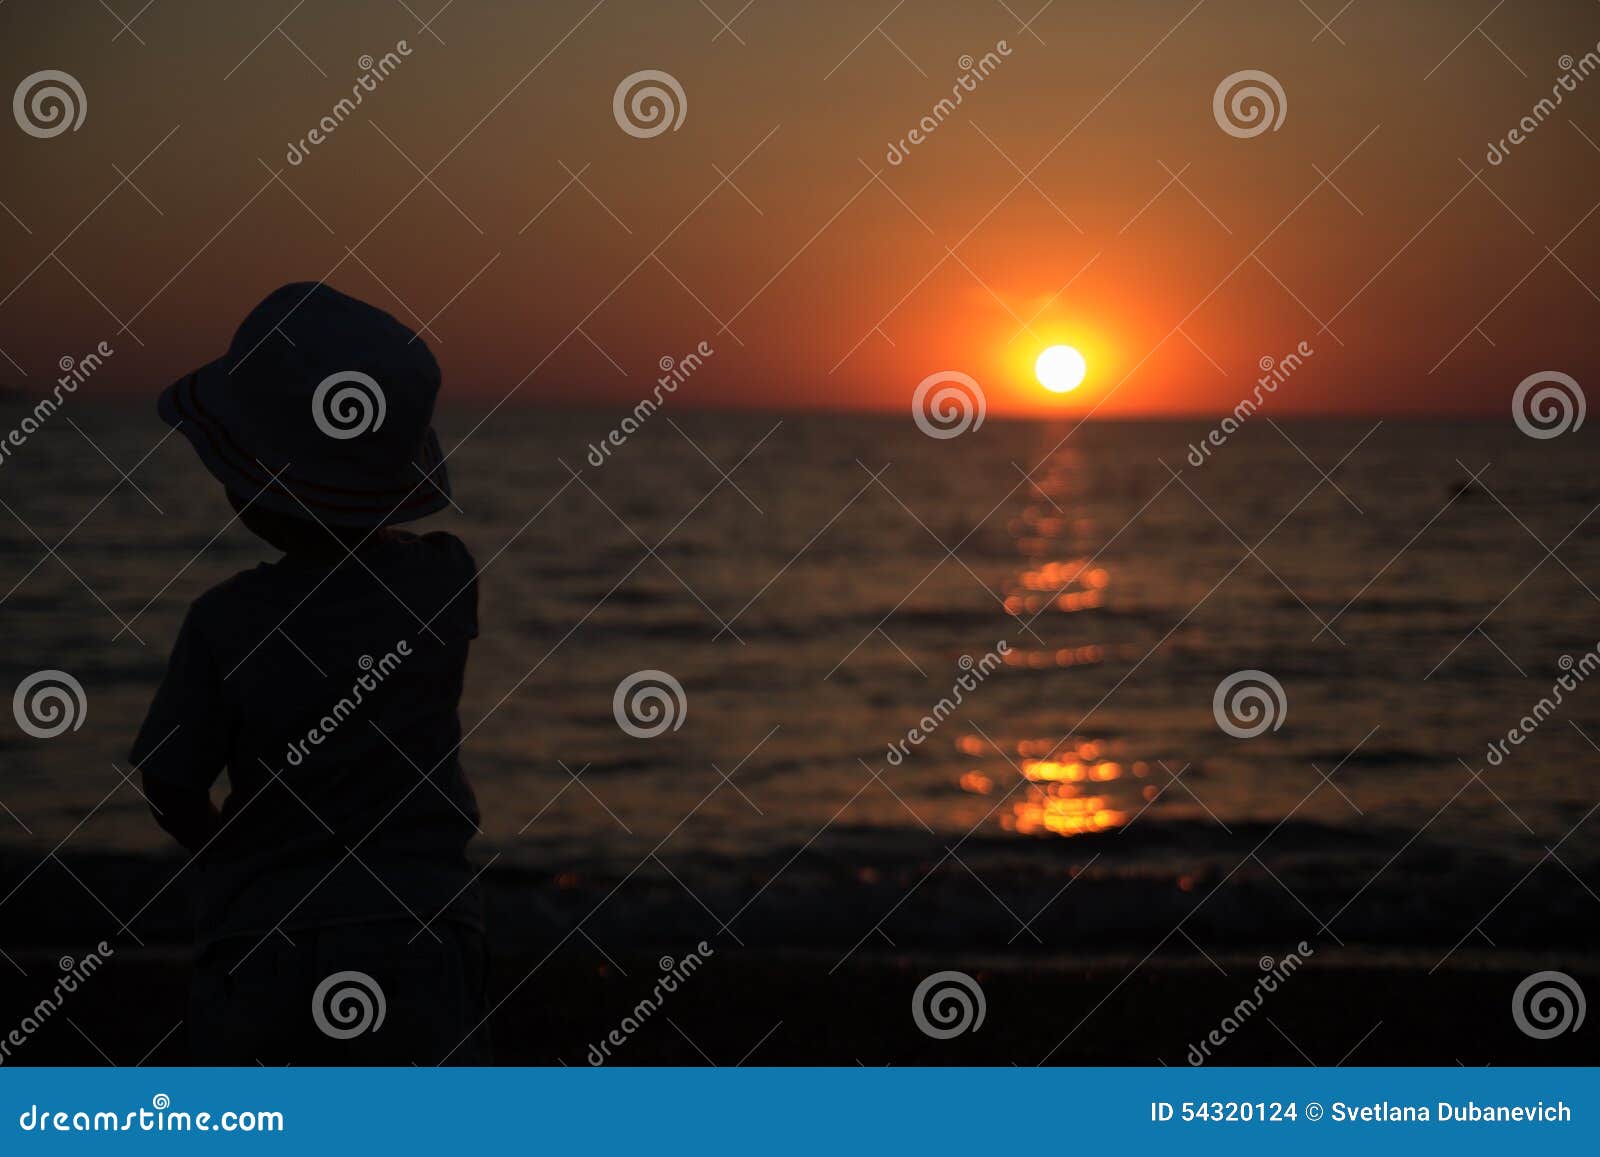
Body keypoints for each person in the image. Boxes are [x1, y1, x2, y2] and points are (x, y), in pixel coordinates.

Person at [130, 282, 489, 1064]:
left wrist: (241, 858)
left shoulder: (226, 621)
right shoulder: (447, 582)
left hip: (266, 939)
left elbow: (172, 784)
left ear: (248, 488)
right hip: (421, 930)